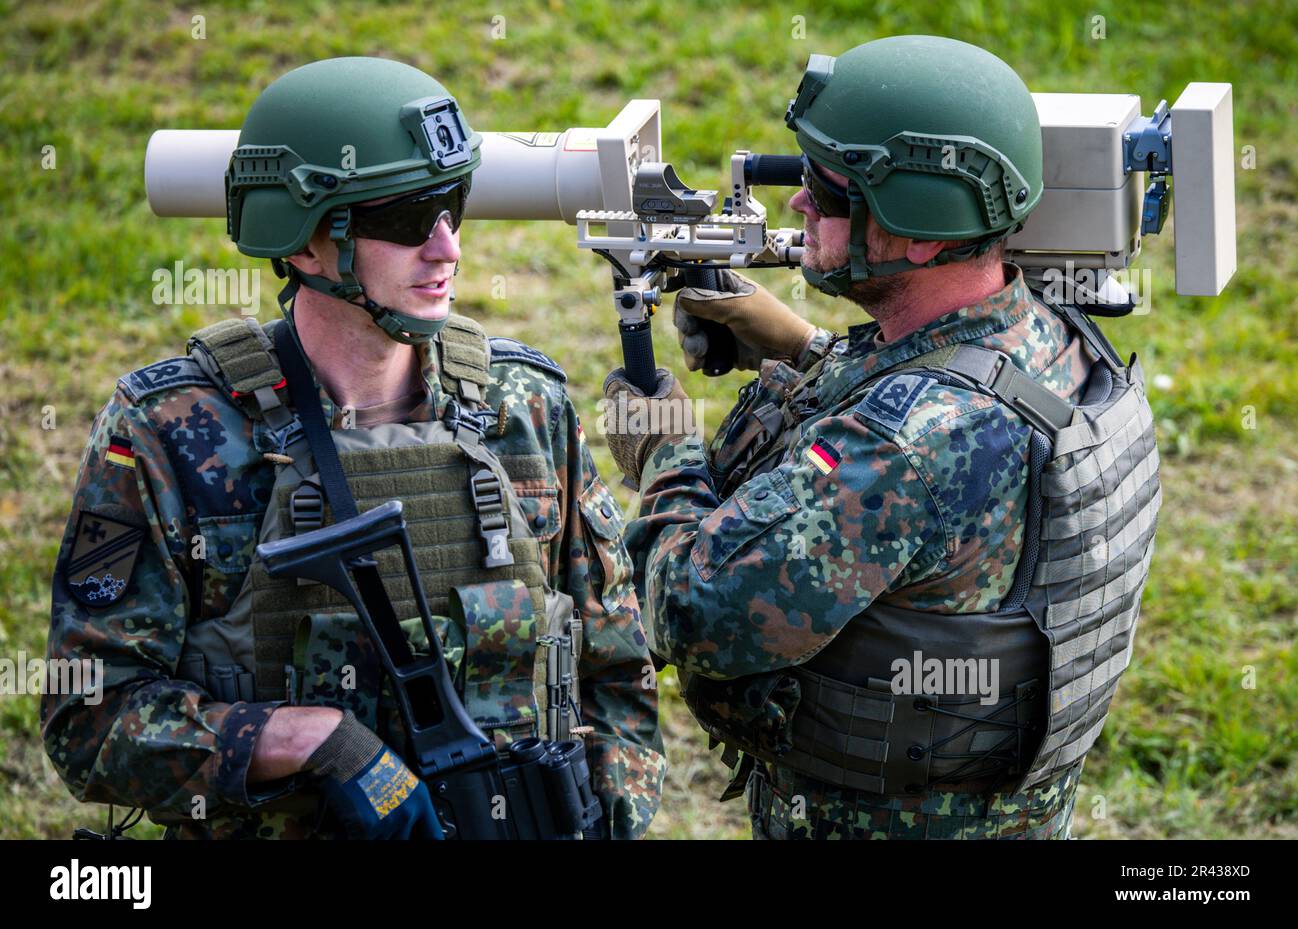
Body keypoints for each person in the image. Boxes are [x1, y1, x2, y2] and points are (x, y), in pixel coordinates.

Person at [43, 56, 665, 839]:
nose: (447, 250)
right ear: (306, 244)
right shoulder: (171, 431)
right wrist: (307, 742)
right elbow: (88, 718)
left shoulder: (524, 409)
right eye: (408, 220)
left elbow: (617, 676)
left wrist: (598, 820)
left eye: (455, 206)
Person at [604, 35, 1161, 839]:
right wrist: (805, 350)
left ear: (923, 232)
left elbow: (697, 611)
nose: (799, 204)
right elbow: (954, 411)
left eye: (829, 193)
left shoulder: (903, 451)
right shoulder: (1053, 338)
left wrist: (664, 454)